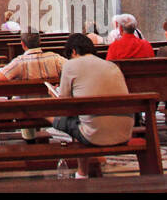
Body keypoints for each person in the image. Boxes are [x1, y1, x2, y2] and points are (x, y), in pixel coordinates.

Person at [48, 33, 134, 177]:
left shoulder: (71, 64)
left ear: (74, 51)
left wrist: (53, 95)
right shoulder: (111, 65)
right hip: (124, 132)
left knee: (49, 115)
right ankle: (89, 167)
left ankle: (82, 173)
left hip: (94, 135)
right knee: (83, 117)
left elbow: (63, 103)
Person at [0, 31, 67, 141]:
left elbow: (0, 77)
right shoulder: (55, 58)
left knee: (19, 99)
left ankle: (29, 138)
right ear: (40, 42)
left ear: (23, 44)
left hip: (27, 108)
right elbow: (72, 69)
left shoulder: (20, 62)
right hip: (52, 106)